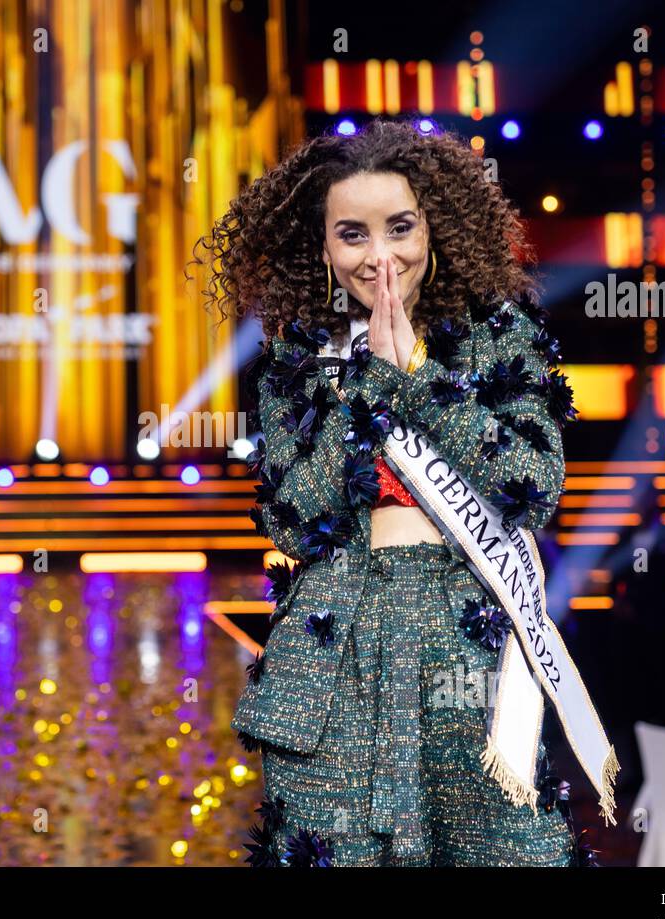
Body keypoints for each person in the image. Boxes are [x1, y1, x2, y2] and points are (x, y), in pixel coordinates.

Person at [193, 117, 597, 866]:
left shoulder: (497, 332)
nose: (379, 257)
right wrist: (367, 379)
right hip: (332, 668)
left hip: (466, 664)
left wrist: (418, 375)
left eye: (400, 228)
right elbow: (293, 514)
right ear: (322, 246)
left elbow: (533, 484)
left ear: (434, 229)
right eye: (353, 234)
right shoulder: (299, 352)